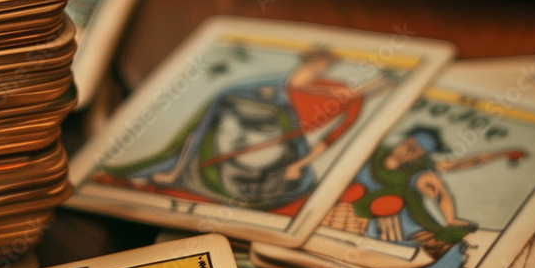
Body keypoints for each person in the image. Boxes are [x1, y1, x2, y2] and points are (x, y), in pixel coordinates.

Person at [99, 47, 390, 213]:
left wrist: (299, 164)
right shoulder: (259, 90)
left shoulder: (295, 196)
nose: (239, 139)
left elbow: (332, 136)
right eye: (230, 127)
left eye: (257, 130)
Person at [321, 125, 527, 257]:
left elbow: (448, 180)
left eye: (416, 151)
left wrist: (450, 218)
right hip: (335, 213)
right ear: (404, 139)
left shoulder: (418, 172)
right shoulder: (375, 150)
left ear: (421, 155)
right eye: (408, 145)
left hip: (385, 224)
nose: (407, 152)